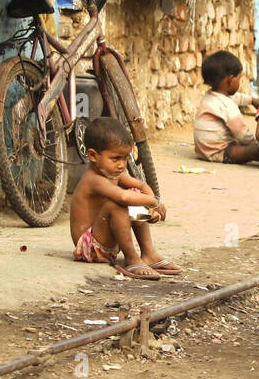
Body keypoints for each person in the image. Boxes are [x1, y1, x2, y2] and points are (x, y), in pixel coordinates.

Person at [70, 117, 180, 280]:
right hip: (90, 247)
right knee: (118, 203)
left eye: (125, 158)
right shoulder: (93, 179)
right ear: (93, 155)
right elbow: (122, 196)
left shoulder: (113, 173)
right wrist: (154, 202)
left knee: (135, 193)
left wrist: (148, 213)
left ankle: (148, 252)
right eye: (115, 158)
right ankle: (131, 258)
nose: (122, 165)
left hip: (107, 242)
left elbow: (142, 187)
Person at [194, 50, 259, 164]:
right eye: (239, 78)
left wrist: (251, 100)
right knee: (256, 150)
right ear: (231, 80)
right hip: (219, 152)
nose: (239, 82)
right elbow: (243, 135)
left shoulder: (210, 96)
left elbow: (237, 97)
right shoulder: (227, 106)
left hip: (203, 150)